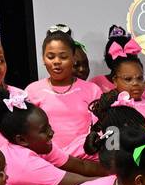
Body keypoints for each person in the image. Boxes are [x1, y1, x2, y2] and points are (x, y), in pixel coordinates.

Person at [26, 24, 104, 159]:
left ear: (73, 58)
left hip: (85, 159)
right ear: (43, 59)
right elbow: (27, 131)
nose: (56, 62)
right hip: (47, 159)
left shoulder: (92, 90)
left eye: (63, 57)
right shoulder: (32, 90)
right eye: (50, 57)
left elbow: (103, 127)